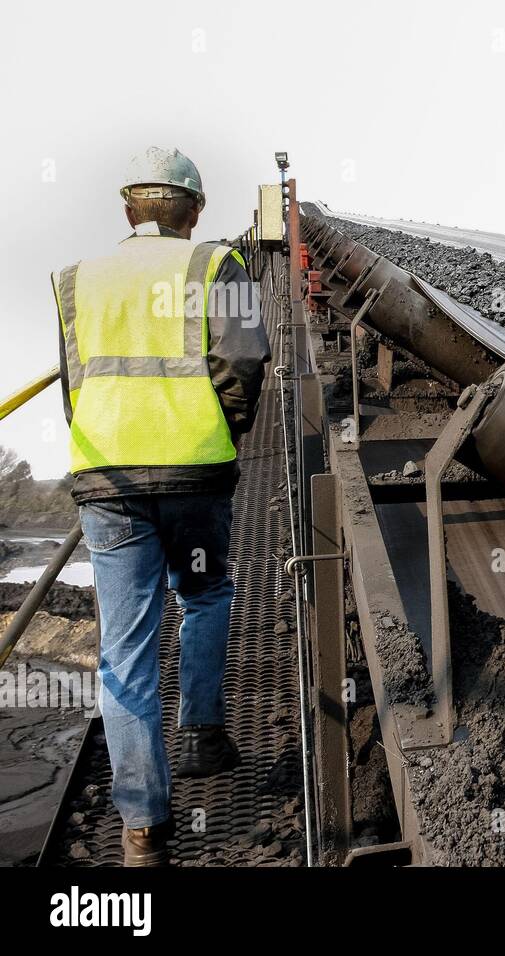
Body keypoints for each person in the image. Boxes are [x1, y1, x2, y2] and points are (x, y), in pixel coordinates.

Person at [52, 146, 271, 865]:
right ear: (195, 212)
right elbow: (245, 361)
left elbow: (73, 387)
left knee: (123, 655)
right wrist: (223, 427)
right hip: (195, 477)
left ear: (128, 211)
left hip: (108, 482)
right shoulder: (217, 266)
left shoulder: (76, 280)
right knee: (205, 597)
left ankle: (143, 826)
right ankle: (203, 730)